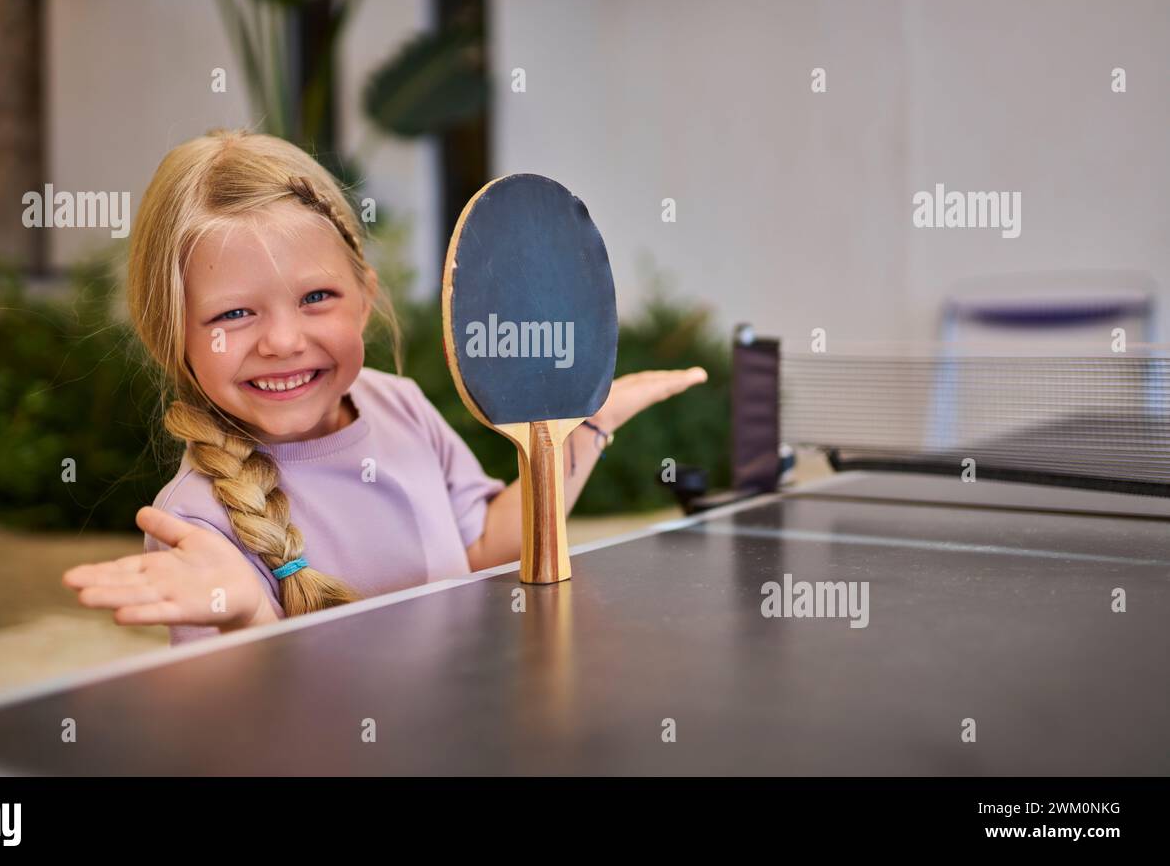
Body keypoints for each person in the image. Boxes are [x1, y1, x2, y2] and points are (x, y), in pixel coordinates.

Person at [62, 129, 706, 644]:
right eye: (234, 313)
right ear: (170, 333)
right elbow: (245, 734)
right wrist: (246, 620)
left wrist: (587, 423)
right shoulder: (194, 521)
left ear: (364, 299)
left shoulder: (399, 404)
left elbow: (484, 548)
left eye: (317, 297)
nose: (283, 341)